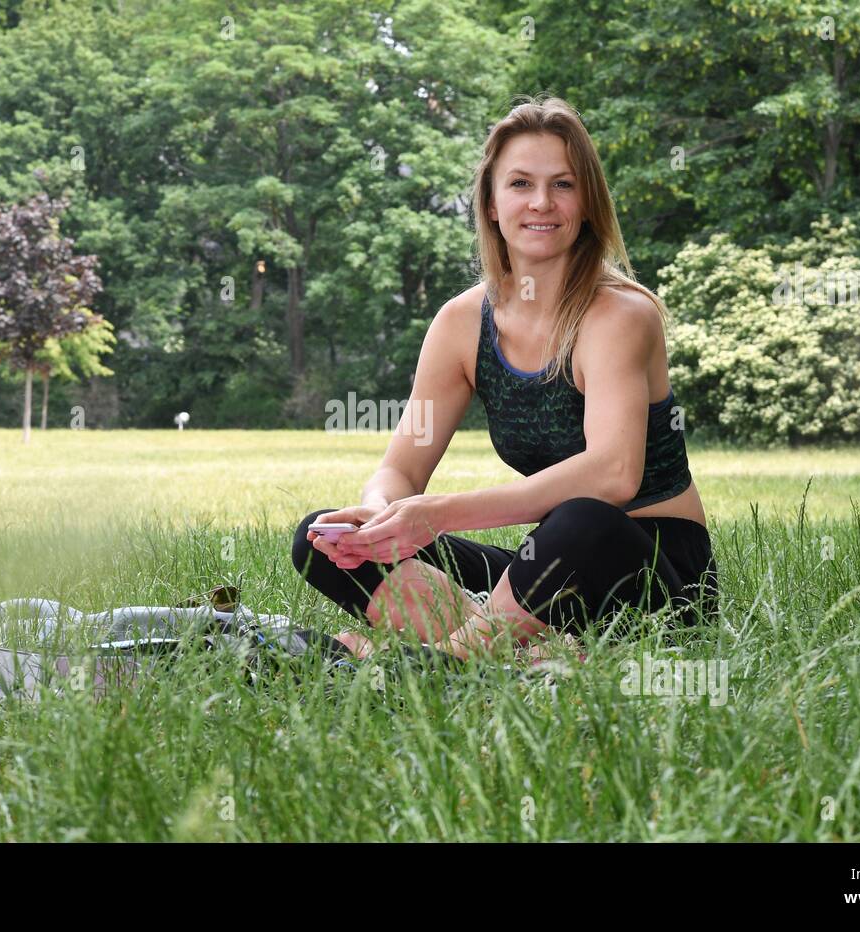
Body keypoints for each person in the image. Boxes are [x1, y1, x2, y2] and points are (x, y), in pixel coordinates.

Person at [291, 94, 719, 663]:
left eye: (563, 184)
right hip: (546, 567)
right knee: (322, 536)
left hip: (649, 575)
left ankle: (441, 663)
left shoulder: (621, 316)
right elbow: (401, 465)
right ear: (491, 203)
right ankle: (518, 649)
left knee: (583, 518)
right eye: (520, 183)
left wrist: (438, 515)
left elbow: (614, 474)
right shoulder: (462, 322)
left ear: (587, 201)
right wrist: (381, 517)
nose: (542, 202)